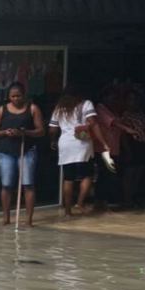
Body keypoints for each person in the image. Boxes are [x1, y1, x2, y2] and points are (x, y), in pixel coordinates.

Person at [50, 87, 114, 217]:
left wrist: (53, 141)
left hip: (65, 145)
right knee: (88, 175)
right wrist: (103, 143)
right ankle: (79, 203)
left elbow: (52, 128)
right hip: (82, 144)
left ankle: (67, 212)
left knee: (68, 178)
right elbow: (94, 124)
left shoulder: (59, 107)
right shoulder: (86, 104)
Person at [0, 82, 45, 226]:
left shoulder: (33, 109)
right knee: (6, 185)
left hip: (26, 150)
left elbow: (41, 131)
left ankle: (28, 220)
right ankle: (6, 218)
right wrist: (4, 132)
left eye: (18, 96)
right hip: (6, 152)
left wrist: (24, 132)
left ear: (24, 95)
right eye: (12, 96)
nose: (15, 99)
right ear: (9, 96)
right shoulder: (2, 110)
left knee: (28, 184)